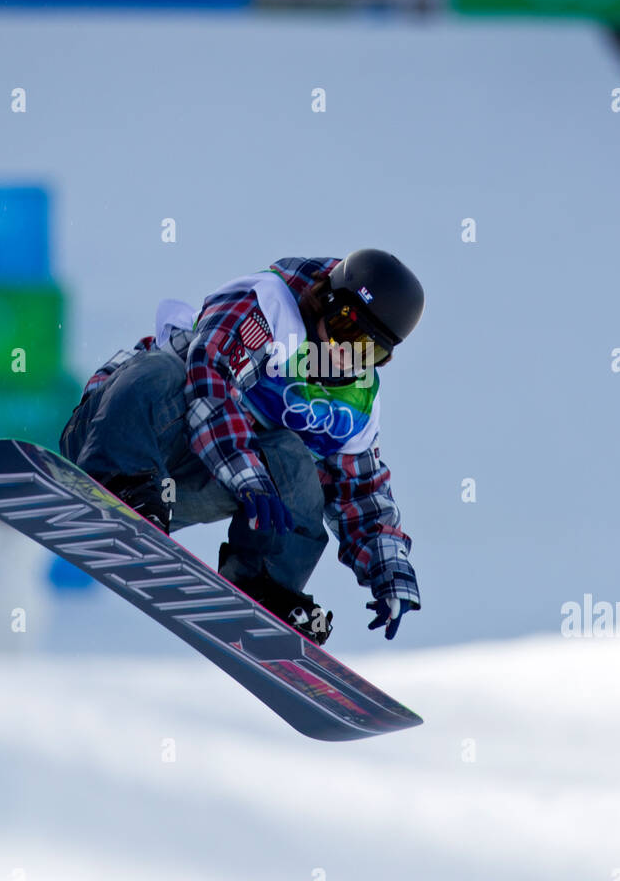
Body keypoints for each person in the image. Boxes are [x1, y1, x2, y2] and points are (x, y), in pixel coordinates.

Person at [60, 250, 424, 646]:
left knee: (295, 461)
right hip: (115, 435)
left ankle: (262, 585)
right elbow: (208, 382)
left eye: (367, 351)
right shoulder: (267, 308)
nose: (343, 356)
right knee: (163, 369)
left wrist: (390, 570)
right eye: (344, 330)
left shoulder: (354, 403)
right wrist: (250, 480)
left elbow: (362, 491)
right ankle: (119, 482)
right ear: (326, 299)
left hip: (183, 488)